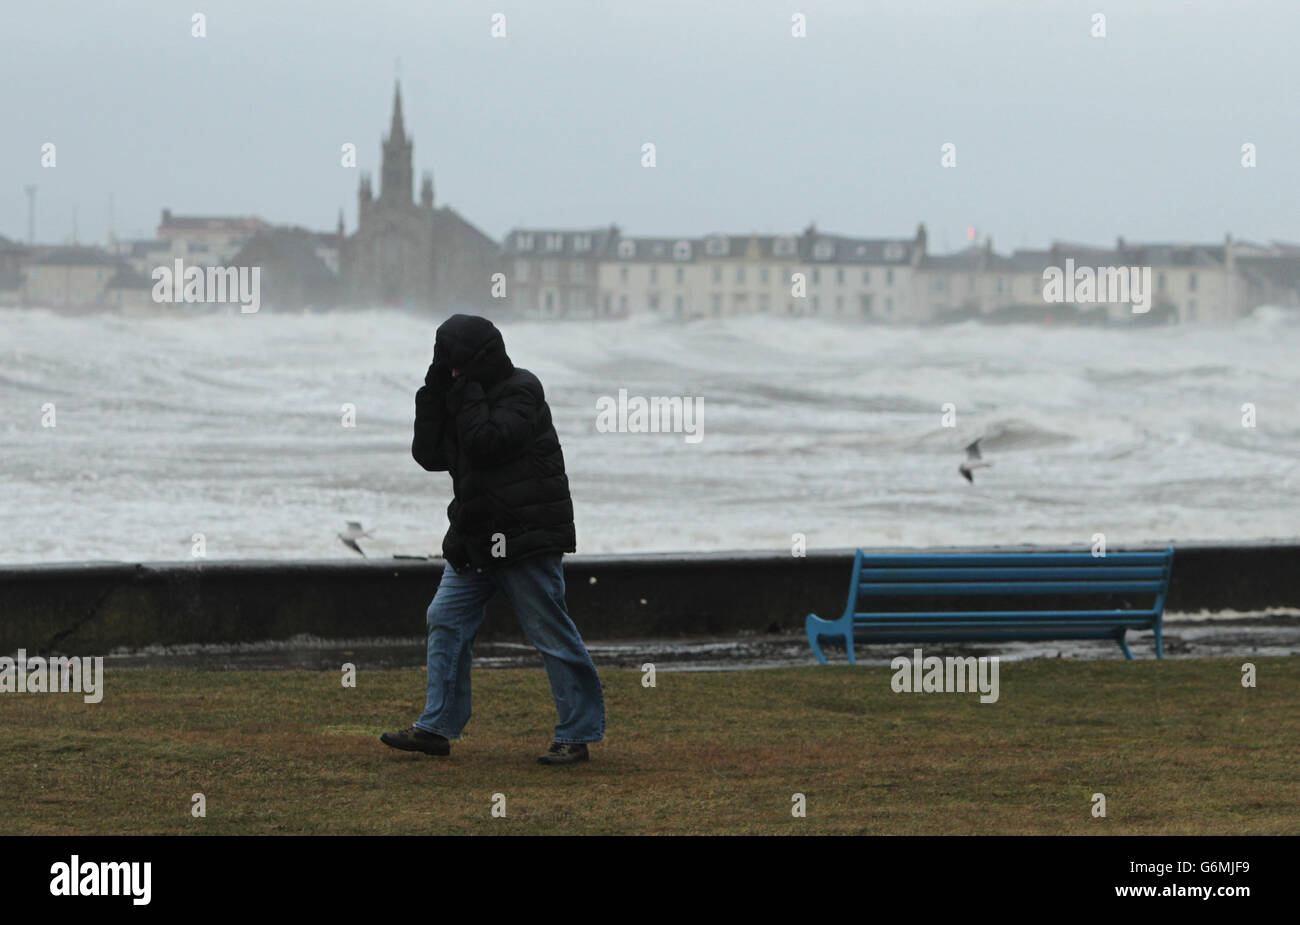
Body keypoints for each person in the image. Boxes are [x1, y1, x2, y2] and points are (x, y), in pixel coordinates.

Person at [381, 313, 605, 765]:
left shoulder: (521, 389)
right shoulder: (461, 394)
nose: (452, 369)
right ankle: (436, 728)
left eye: (455, 361)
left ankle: (576, 734)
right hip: (474, 534)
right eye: (445, 362)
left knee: (550, 632)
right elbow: (428, 456)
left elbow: (488, 443)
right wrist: (432, 394)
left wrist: (463, 393)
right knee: (444, 618)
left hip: (525, 532)